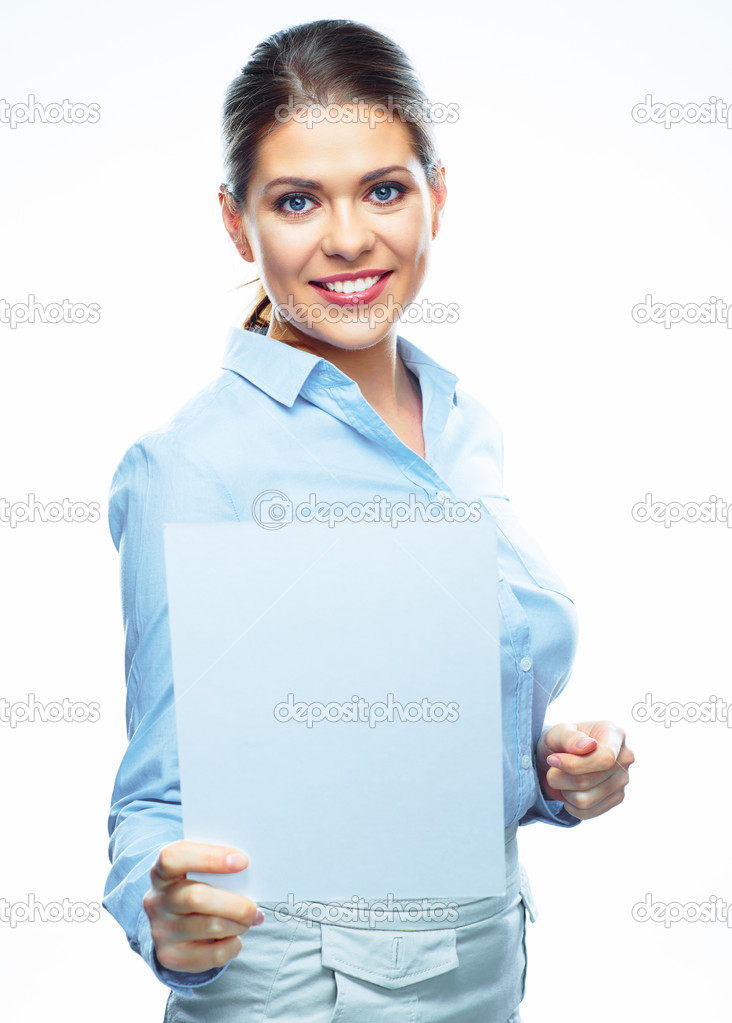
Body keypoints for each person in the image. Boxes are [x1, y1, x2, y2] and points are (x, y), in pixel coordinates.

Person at [103, 18, 634, 1022]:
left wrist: (556, 775)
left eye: (383, 189)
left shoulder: (467, 424)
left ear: (437, 196)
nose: (349, 238)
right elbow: (154, 801)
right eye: (297, 199)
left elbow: (389, 756)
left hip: (484, 985)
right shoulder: (194, 466)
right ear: (235, 220)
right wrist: (163, 915)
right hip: (302, 1000)